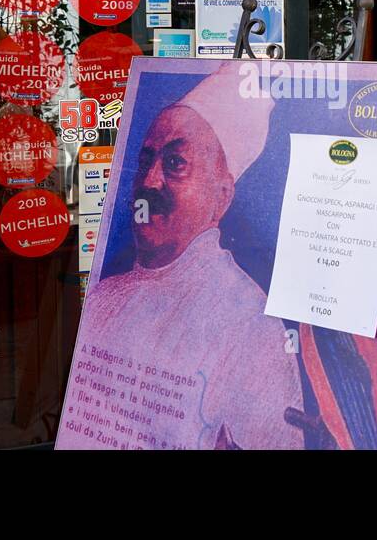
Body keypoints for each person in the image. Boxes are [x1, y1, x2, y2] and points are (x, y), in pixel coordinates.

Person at [72, 67, 303, 449]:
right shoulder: (103, 297)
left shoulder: (251, 326)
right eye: (146, 161)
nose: (149, 181)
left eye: (176, 164)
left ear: (222, 196)